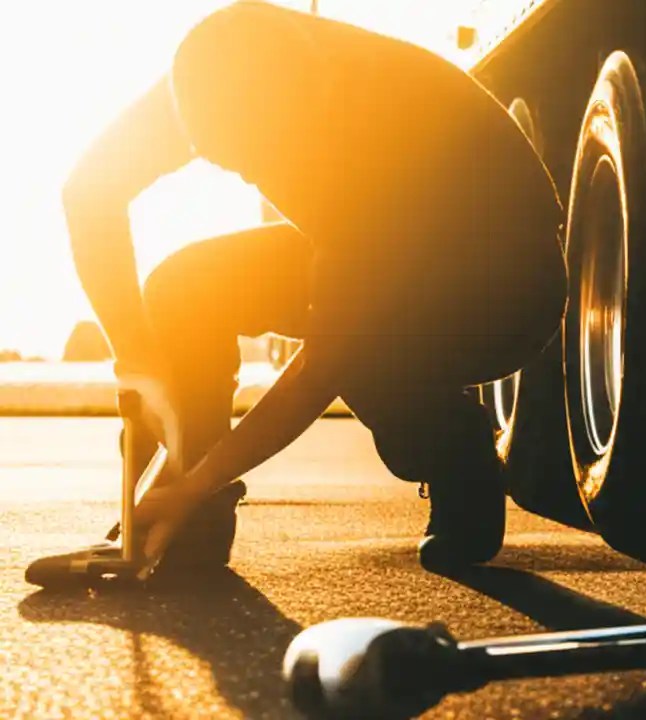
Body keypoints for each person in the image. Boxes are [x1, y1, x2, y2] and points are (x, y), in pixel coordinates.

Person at [60, 0, 566, 571]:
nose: (246, 173)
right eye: (222, 159)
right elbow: (88, 193)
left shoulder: (355, 139)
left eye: (255, 160)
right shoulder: (205, 78)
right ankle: (193, 522)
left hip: (507, 284)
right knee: (184, 287)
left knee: (368, 349)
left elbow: (321, 363)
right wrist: (139, 364)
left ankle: (453, 451)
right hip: (401, 249)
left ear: (294, 123)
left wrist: (198, 479)